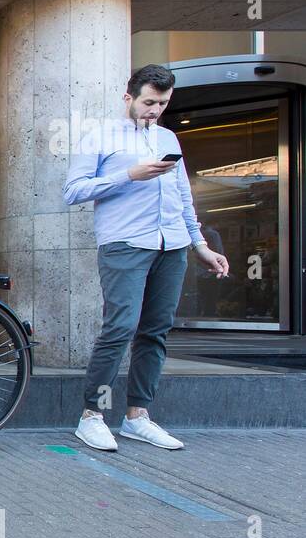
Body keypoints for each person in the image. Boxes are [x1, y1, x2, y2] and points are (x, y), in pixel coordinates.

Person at [63, 64, 230, 451]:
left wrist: (200, 244)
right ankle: (92, 415)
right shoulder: (100, 137)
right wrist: (129, 176)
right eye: (149, 102)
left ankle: (137, 417)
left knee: (155, 332)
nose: (154, 110)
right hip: (124, 243)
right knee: (119, 328)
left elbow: (184, 199)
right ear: (129, 98)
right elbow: (73, 191)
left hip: (171, 246)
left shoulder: (168, 137)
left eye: (163, 103)